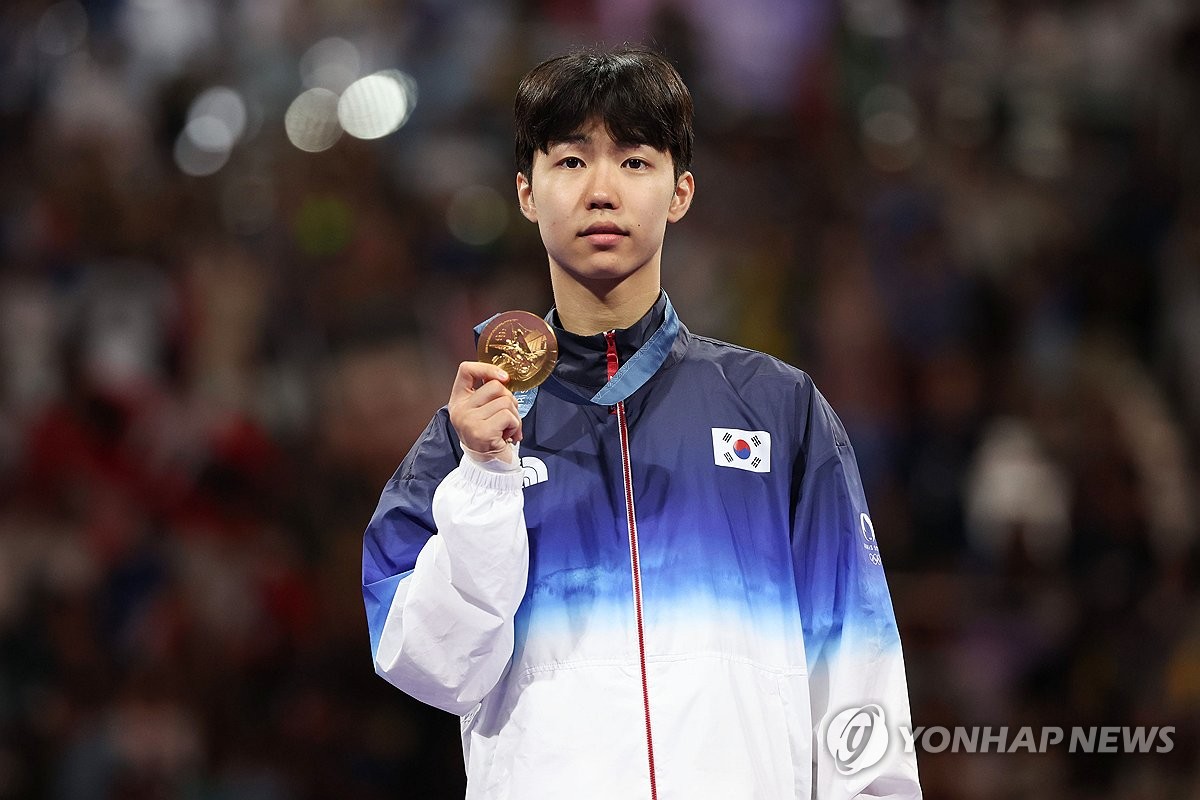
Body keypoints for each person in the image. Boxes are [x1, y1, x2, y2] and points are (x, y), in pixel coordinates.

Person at [362, 45, 922, 799]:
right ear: (526, 193)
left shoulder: (779, 409)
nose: (601, 191)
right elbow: (435, 667)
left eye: (634, 161)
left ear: (680, 191)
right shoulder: (469, 439)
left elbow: (858, 671)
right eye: (569, 162)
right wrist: (487, 480)